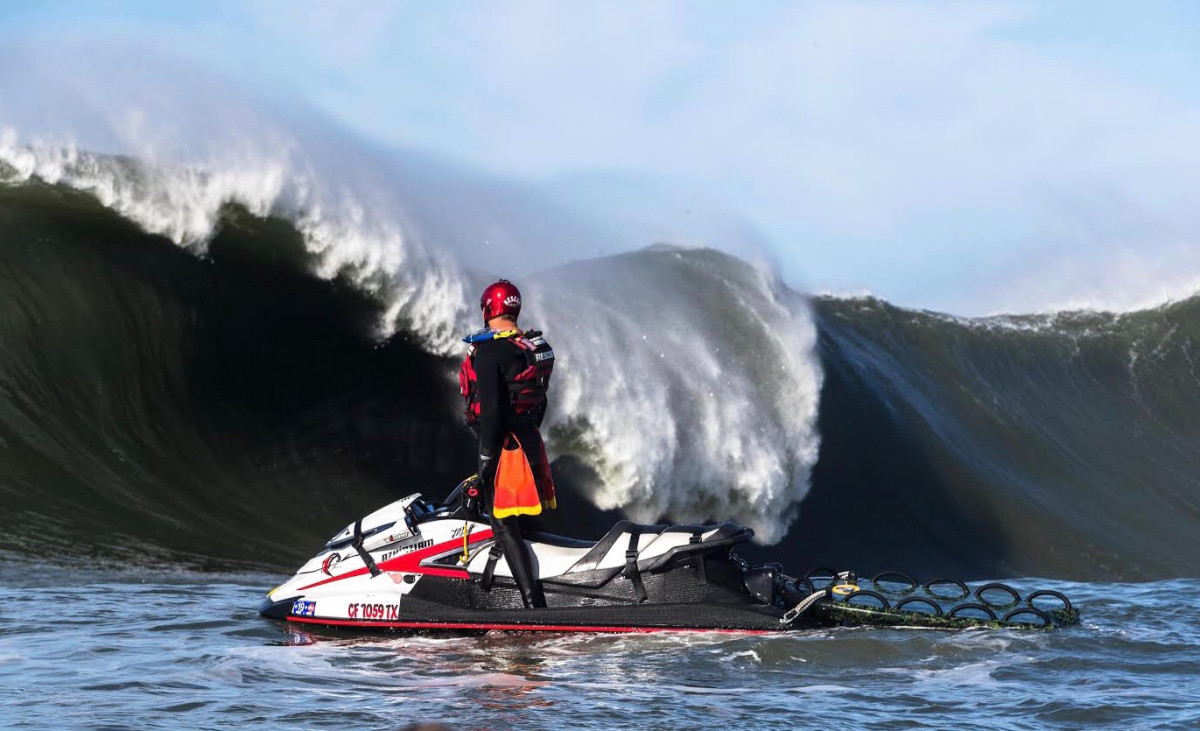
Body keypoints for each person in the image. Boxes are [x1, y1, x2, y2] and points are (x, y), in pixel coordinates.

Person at [458, 279, 556, 608]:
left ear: (489, 309)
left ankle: (533, 606)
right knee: (518, 522)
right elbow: (538, 401)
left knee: (502, 523)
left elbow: (493, 412)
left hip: (506, 448)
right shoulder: (529, 347)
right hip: (529, 441)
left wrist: (486, 461)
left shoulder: (489, 352)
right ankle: (542, 591)